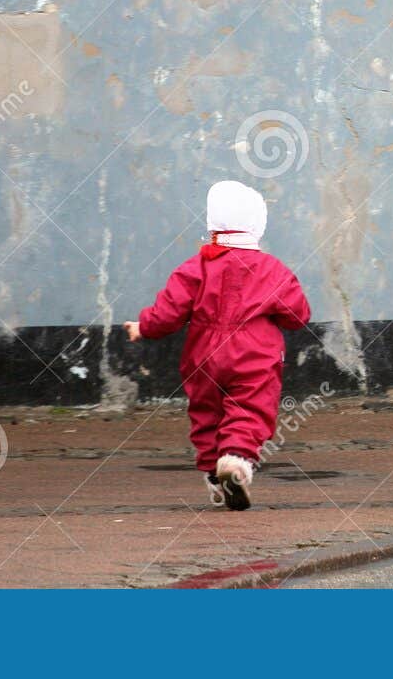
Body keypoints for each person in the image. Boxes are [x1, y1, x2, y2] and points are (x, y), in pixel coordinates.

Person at [124, 179, 310, 511]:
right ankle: (236, 460)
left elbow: (169, 312)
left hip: (202, 356)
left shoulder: (195, 268)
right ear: (257, 227)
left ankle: (213, 470)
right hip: (254, 355)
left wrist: (144, 326)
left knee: (206, 412)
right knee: (248, 409)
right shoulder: (272, 270)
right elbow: (298, 314)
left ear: (213, 226)